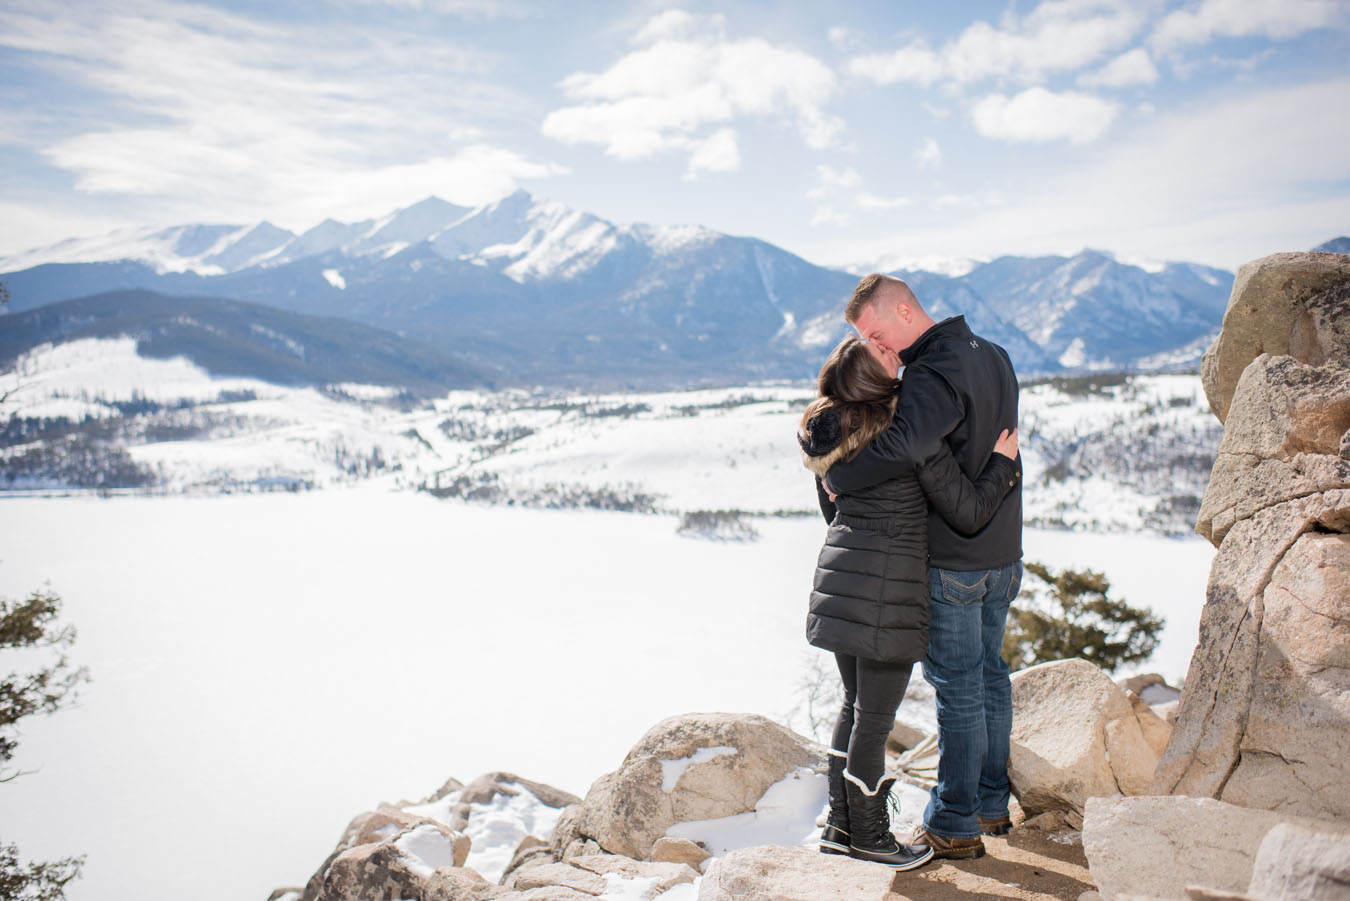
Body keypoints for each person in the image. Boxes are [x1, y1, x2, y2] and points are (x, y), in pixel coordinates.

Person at [799, 335, 1019, 870]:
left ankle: (839, 826)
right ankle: (871, 838)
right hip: (888, 596)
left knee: (854, 709)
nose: (896, 359)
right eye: (884, 357)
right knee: (874, 720)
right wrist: (1001, 463)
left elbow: (835, 514)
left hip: (840, 584)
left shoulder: (830, 440)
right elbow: (968, 512)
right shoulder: (909, 439)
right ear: (874, 382)